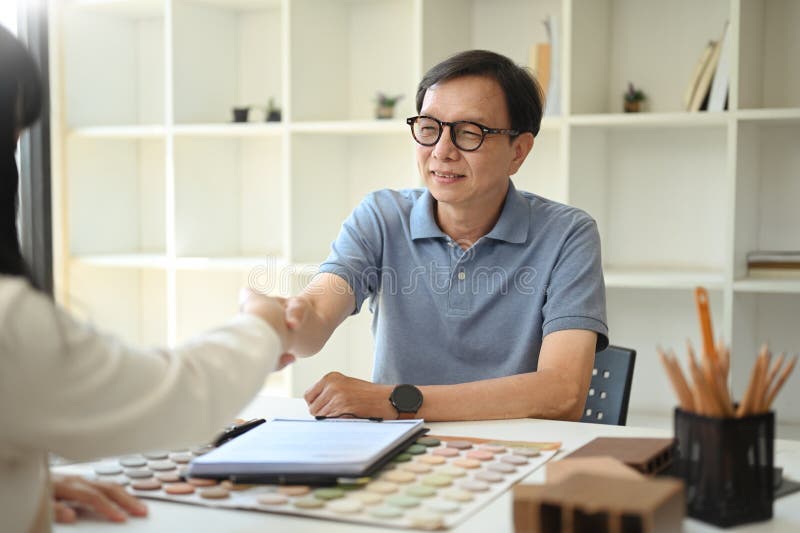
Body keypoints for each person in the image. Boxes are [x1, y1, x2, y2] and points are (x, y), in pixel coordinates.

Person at [0, 25, 293, 531]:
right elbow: (178, 397)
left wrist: (18, 482)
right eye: (14, 137)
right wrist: (263, 321)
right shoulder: (11, 321)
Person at [284, 50, 608, 423]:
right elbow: (316, 316)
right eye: (428, 128)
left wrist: (393, 401)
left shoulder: (568, 235)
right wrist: (282, 322)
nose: (441, 151)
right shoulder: (382, 217)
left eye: (469, 133)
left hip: (518, 448)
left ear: (518, 151)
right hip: (399, 447)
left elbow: (563, 394)